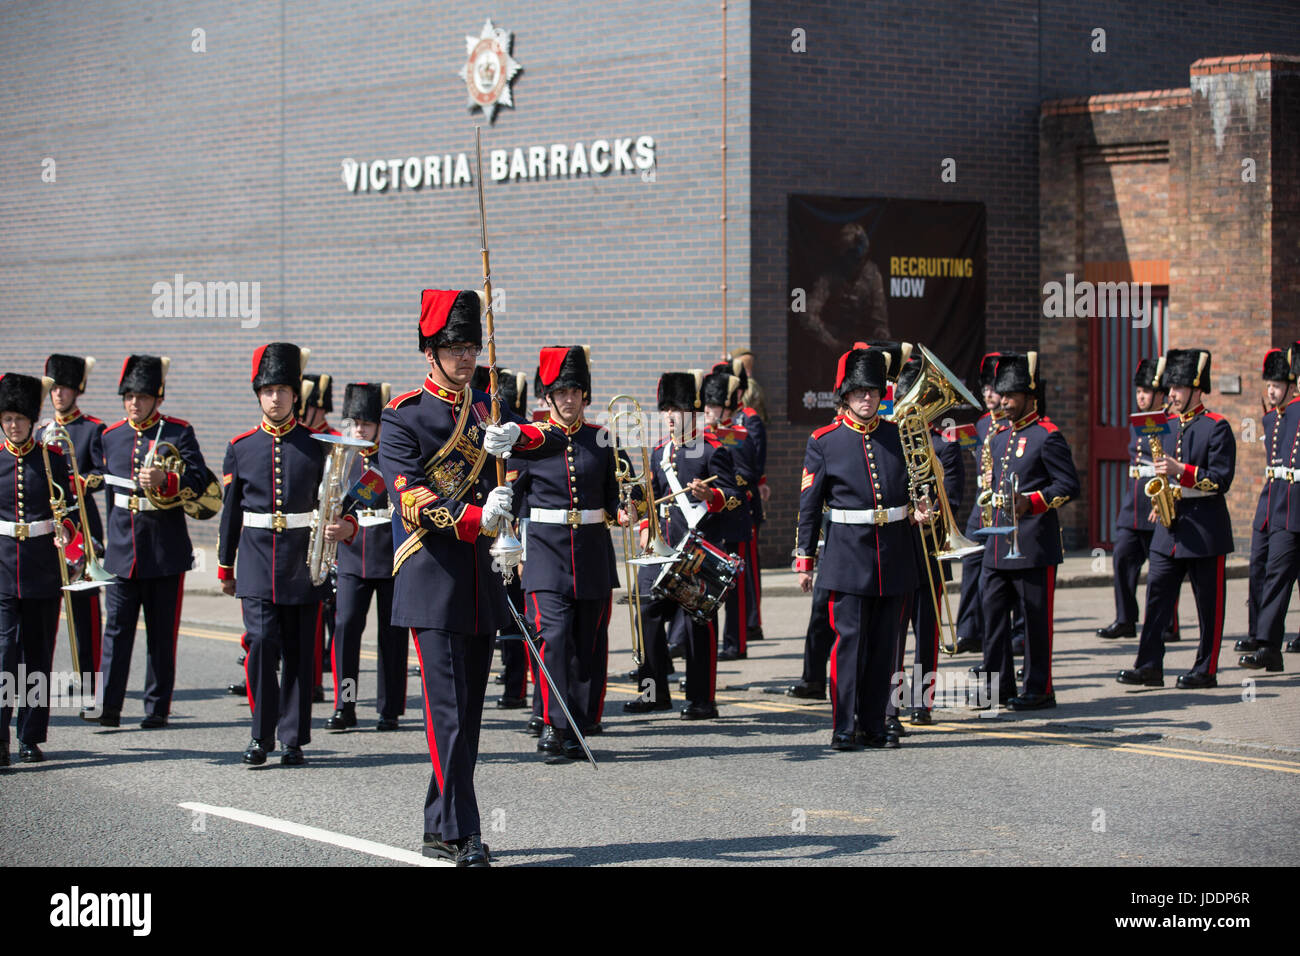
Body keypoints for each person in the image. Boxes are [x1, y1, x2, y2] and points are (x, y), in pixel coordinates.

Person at [379, 289, 565, 867]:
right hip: (432, 575)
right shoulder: (403, 414)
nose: (464, 357)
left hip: (483, 580)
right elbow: (408, 495)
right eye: (452, 347)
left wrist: (519, 438)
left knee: (469, 712)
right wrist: (475, 517)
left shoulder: (488, 406)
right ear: (428, 352)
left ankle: (439, 822)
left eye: (470, 345)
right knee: (449, 713)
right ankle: (466, 831)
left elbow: (555, 435)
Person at [795, 347, 929, 750]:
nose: (866, 398)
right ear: (845, 396)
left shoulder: (898, 435)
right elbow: (809, 505)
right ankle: (844, 726)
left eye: (872, 390)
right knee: (849, 645)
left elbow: (917, 488)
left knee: (886, 647)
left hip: (894, 554)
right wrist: (805, 560)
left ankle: (874, 725)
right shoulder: (824, 441)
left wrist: (923, 507)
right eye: (858, 392)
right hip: (847, 557)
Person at [218, 343, 326, 765]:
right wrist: (225, 566)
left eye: (283, 389)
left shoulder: (317, 444)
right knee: (261, 643)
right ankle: (260, 735)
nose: (275, 398)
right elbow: (230, 514)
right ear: (258, 395)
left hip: (302, 562)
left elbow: (348, 496)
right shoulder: (241, 446)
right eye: (267, 390)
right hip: (258, 561)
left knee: (301, 651)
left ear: (295, 394)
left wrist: (345, 526)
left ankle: (293, 737)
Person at [512, 346, 619, 760]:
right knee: (552, 638)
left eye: (575, 390)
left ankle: (573, 723)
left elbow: (613, 495)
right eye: (560, 391)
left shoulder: (601, 439)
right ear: (547, 398)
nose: (569, 398)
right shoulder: (530, 441)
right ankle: (555, 725)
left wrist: (624, 509)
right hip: (544, 554)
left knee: (584, 646)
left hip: (591, 553)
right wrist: (513, 550)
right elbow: (513, 498)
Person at [92, 355, 208, 729]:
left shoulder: (178, 432)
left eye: (142, 396)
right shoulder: (110, 437)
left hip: (164, 550)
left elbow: (200, 480)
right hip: (123, 550)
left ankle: (156, 708)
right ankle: (109, 706)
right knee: (116, 632)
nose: (134, 403)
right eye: (128, 396)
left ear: (157, 398)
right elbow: (108, 493)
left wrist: (166, 480)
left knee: (161, 635)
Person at [623, 371, 742, 720]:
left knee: (697, 623)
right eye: (666, 411)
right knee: (645, 613)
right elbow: (651, 499)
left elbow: (735, 497)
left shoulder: (713, 450)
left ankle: (703, 700)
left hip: (697, 552)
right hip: (663, 550)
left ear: (693, 412)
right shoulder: (660, 452)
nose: (672, 417)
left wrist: (714, 496)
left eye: (678, 410)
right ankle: (654, 693)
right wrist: (642, 523)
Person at [1118, 349, 1235, 688]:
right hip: (1168, 529)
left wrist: (1181, 471)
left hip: (1204, 528)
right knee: (1156, 597)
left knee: (1208, 606)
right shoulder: (1165, 425)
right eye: (1170, 388)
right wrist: (1160, 497)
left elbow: (1220, 480)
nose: (1171, 395)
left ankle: (1206, 669)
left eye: (1178, 388)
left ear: (1198, 389)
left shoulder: (1218, 427)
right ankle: (1150, 665)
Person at [979, 352, 1080, 710]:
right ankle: (997, 688)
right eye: (1000, 395)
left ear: (1029, 395)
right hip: (998, 543)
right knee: (992, 618)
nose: (1002, 402)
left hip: (1034, 544)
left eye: (1010, 396)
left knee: (1036, 622)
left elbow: (1068, 486)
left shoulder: (1047, 435)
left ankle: (1039, 689)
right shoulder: (999, 436)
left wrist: (1032, 501)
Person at [323, 382, 410, 732]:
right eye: (354, 422)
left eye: (367, 422)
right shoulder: (342, 459)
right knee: (345, 633)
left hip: (389, 556)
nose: (360, 429)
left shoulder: (392, 456)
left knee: (392, 636)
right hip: (352, 558)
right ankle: (346, 704)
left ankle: (389, 708)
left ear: (379, 424)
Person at [885, 352, 964, 731]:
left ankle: (923, 703)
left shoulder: (945, 445)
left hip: (931, 547)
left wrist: (935, 506)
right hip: (899, 546)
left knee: (928, 631)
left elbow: (958, 498)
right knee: (895, 631)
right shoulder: (886, 443)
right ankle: (892, 704)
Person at [0, 373, 74, 764]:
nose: (14, 425)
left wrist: (65, 529)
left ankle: (30, 736)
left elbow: (71, 507)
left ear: (32, 420)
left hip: (42, 569)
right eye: (8, 418)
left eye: (20, 418)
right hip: (2, 569)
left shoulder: (51, 458)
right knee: (3, 654)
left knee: (37, 657)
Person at [1098, 358, 1181, 642]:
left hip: (1159, 504)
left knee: (1163, 571)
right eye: (1139, 391)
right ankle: (1125, 618)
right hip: (1134, 504)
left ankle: (1169, 623)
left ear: (1161, 394)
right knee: (1122, 557)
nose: (1141, 396)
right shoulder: (1137, 423)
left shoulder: (1174, 423)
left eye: (1146, 391)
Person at [41, 354, 106, 691]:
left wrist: (83, 481)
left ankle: (89, 678)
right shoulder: (40, 431)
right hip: (50, 527)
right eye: (54, 389)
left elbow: (103, 474)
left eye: (65, 389)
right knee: (49, 603)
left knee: (85, 606)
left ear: (77, 391)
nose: (59, 395)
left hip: (82, 524)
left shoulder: (92, 429)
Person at [470, 366, 531, 712]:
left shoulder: (517, 456)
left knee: (514, 618)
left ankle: (515, 686)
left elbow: (529, 507)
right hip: (482, 540)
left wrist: (524, 554)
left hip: (512, 546)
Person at [1239, 341, 1300, 675]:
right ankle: (1267, 645)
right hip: (1285, 508)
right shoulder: (1276, 417)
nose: (1273, 390)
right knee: (1274, 575)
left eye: (1279, 384)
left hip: (1291, 503)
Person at [700, 364, 759, 661]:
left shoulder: (737, 434)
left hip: (734, 516)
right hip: (709, 519)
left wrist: (722, 483)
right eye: (707, 405)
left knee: (733, 586)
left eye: (715, 405)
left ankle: (736, 644)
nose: (710, 411)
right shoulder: (699, 437)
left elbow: (746, 474)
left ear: (727, 408)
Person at [954, 353, 1004, 655]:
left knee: (1001, 572)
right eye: (985, 388)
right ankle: (968, 631)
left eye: (993, 388)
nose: (987, 394)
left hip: (1005, 506)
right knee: (971, 562)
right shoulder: (983, 423)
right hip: (980, 504)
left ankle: (1011, 633)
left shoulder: (1010, 424)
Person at [300, 371, 338, 702]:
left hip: (332, 538)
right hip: (301, 536)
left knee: (329, 614)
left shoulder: (333, 441)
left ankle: (317, 677)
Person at [728, 352, 768, 641]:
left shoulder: (749, 418)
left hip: (745, 497)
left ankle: (752, 620)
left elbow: (754, 459)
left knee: (749, 564)